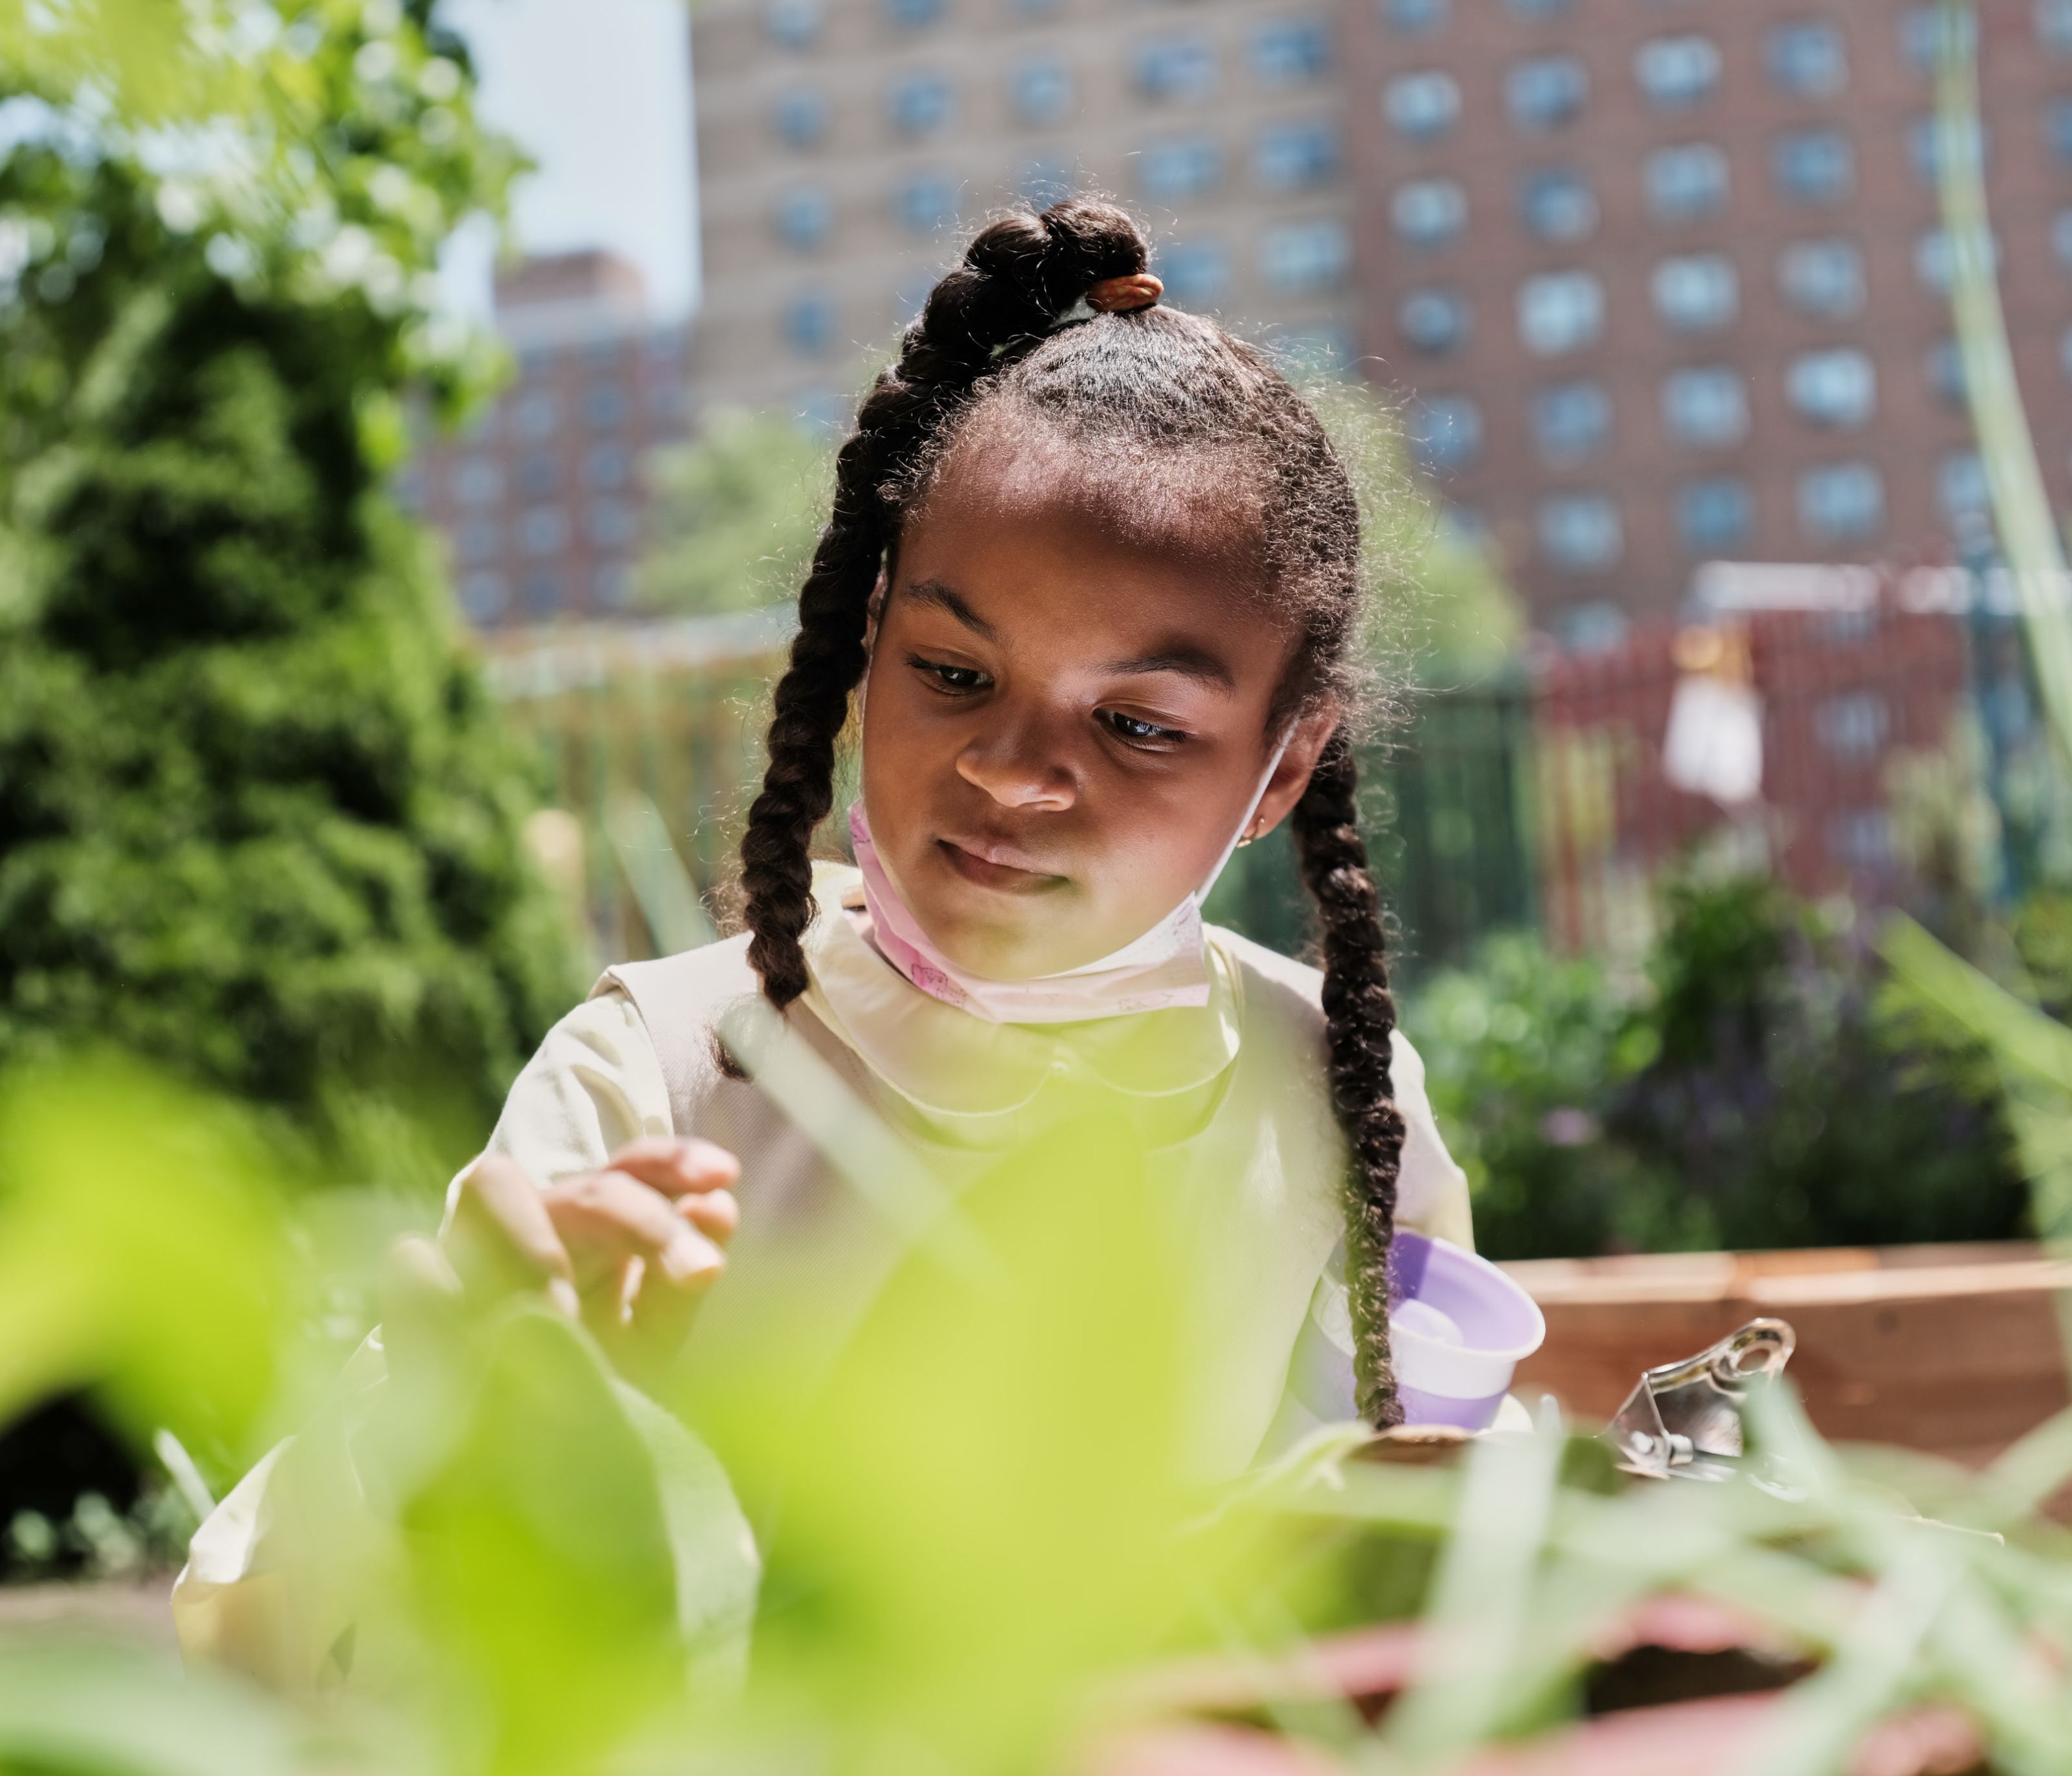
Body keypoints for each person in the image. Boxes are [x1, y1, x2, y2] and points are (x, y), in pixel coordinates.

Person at [172, 196, 1481, 1684]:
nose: (1009, 770)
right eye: (949, 668)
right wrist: (463, 1398)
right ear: (867, 653)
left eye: (1135, 724)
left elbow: (1428, 1588)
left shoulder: (1336, 1095)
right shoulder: (664, 1076)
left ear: (1283, 770)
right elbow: (246, 1628)